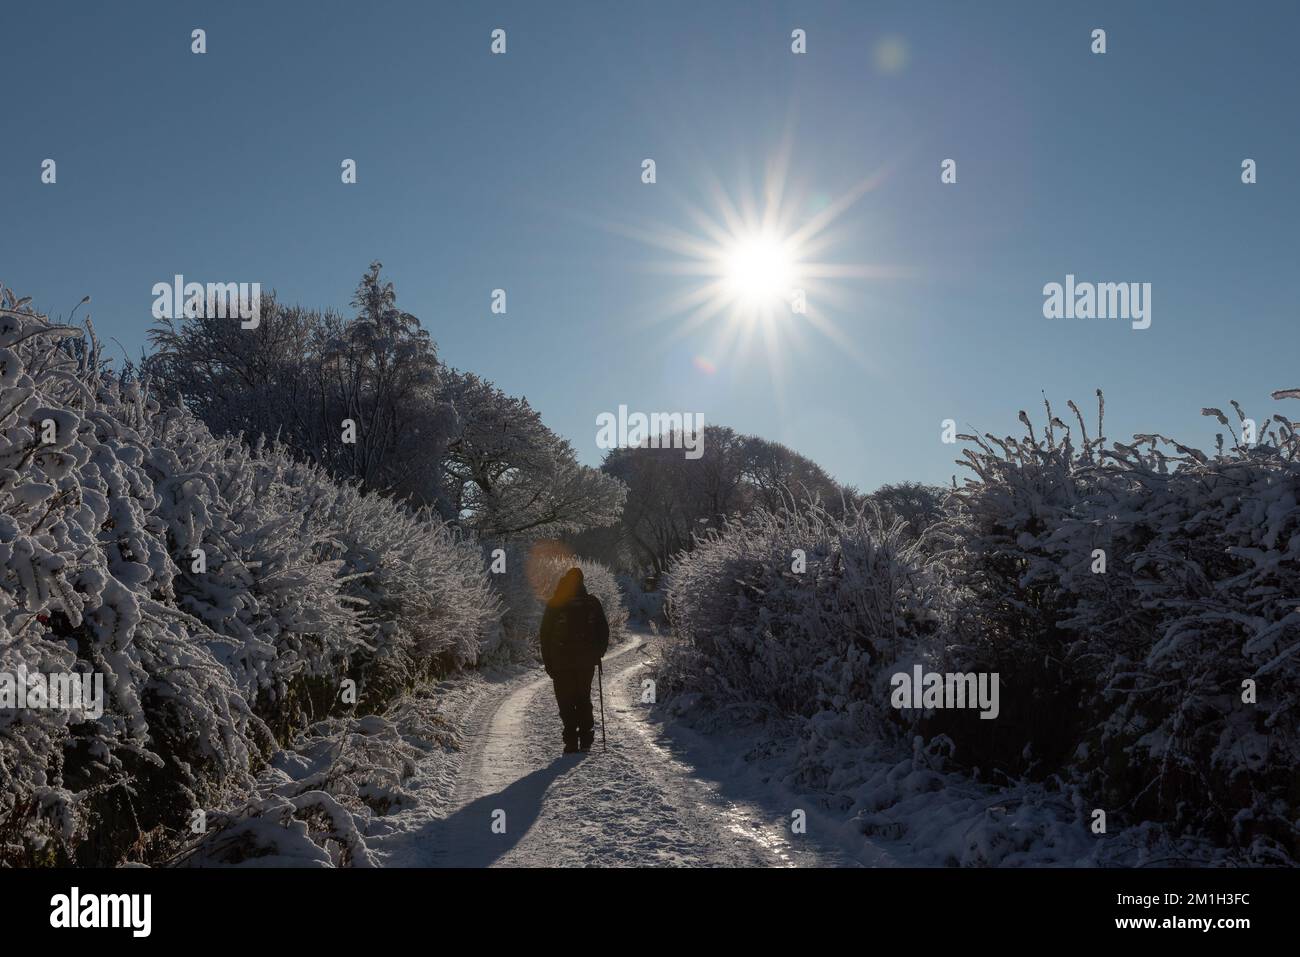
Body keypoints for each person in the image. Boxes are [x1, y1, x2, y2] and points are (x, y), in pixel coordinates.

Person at [538, 567, 609, 753]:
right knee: (583, 697)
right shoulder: (592, 602)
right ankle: (586, 738)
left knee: (565, 700)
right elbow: (603, 630)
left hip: (561, 663)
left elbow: (544, 635)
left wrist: (548, 662)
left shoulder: (555, 603)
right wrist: (598, 653)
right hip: (586, 662)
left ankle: (570, 741)